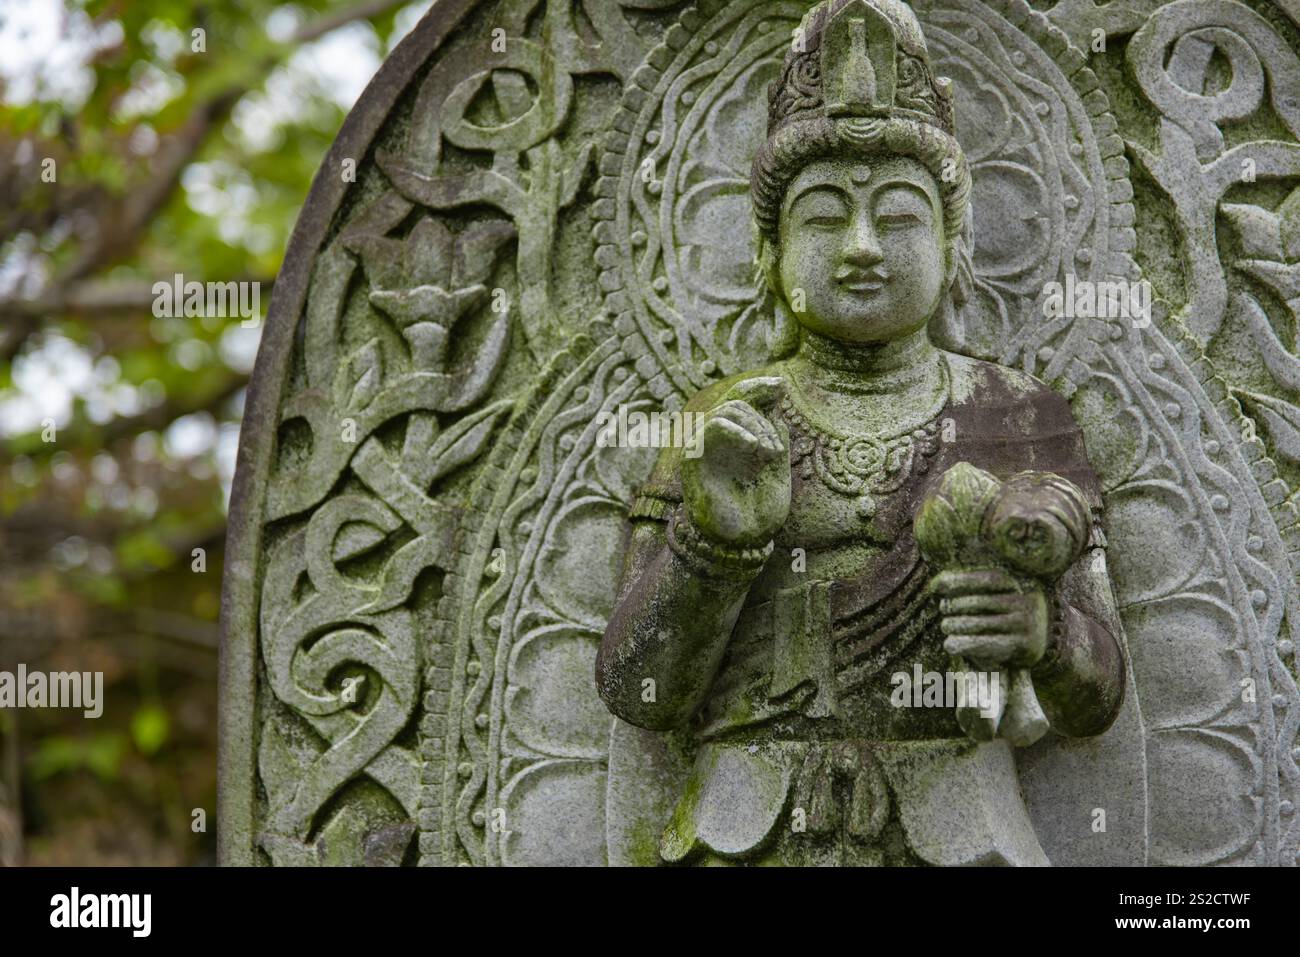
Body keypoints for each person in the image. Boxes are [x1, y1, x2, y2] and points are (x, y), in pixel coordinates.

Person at [596, 0, 1125, 866]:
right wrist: (712, 550)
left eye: (902, 216)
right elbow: (639, 688)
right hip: (743, 826)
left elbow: (1098, 691)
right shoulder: (725, 423)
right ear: (768, 256)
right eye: (823, 216)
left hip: (960, 827)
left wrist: (1042, 634)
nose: (864, 247)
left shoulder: (1017, 414)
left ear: (955, 246)